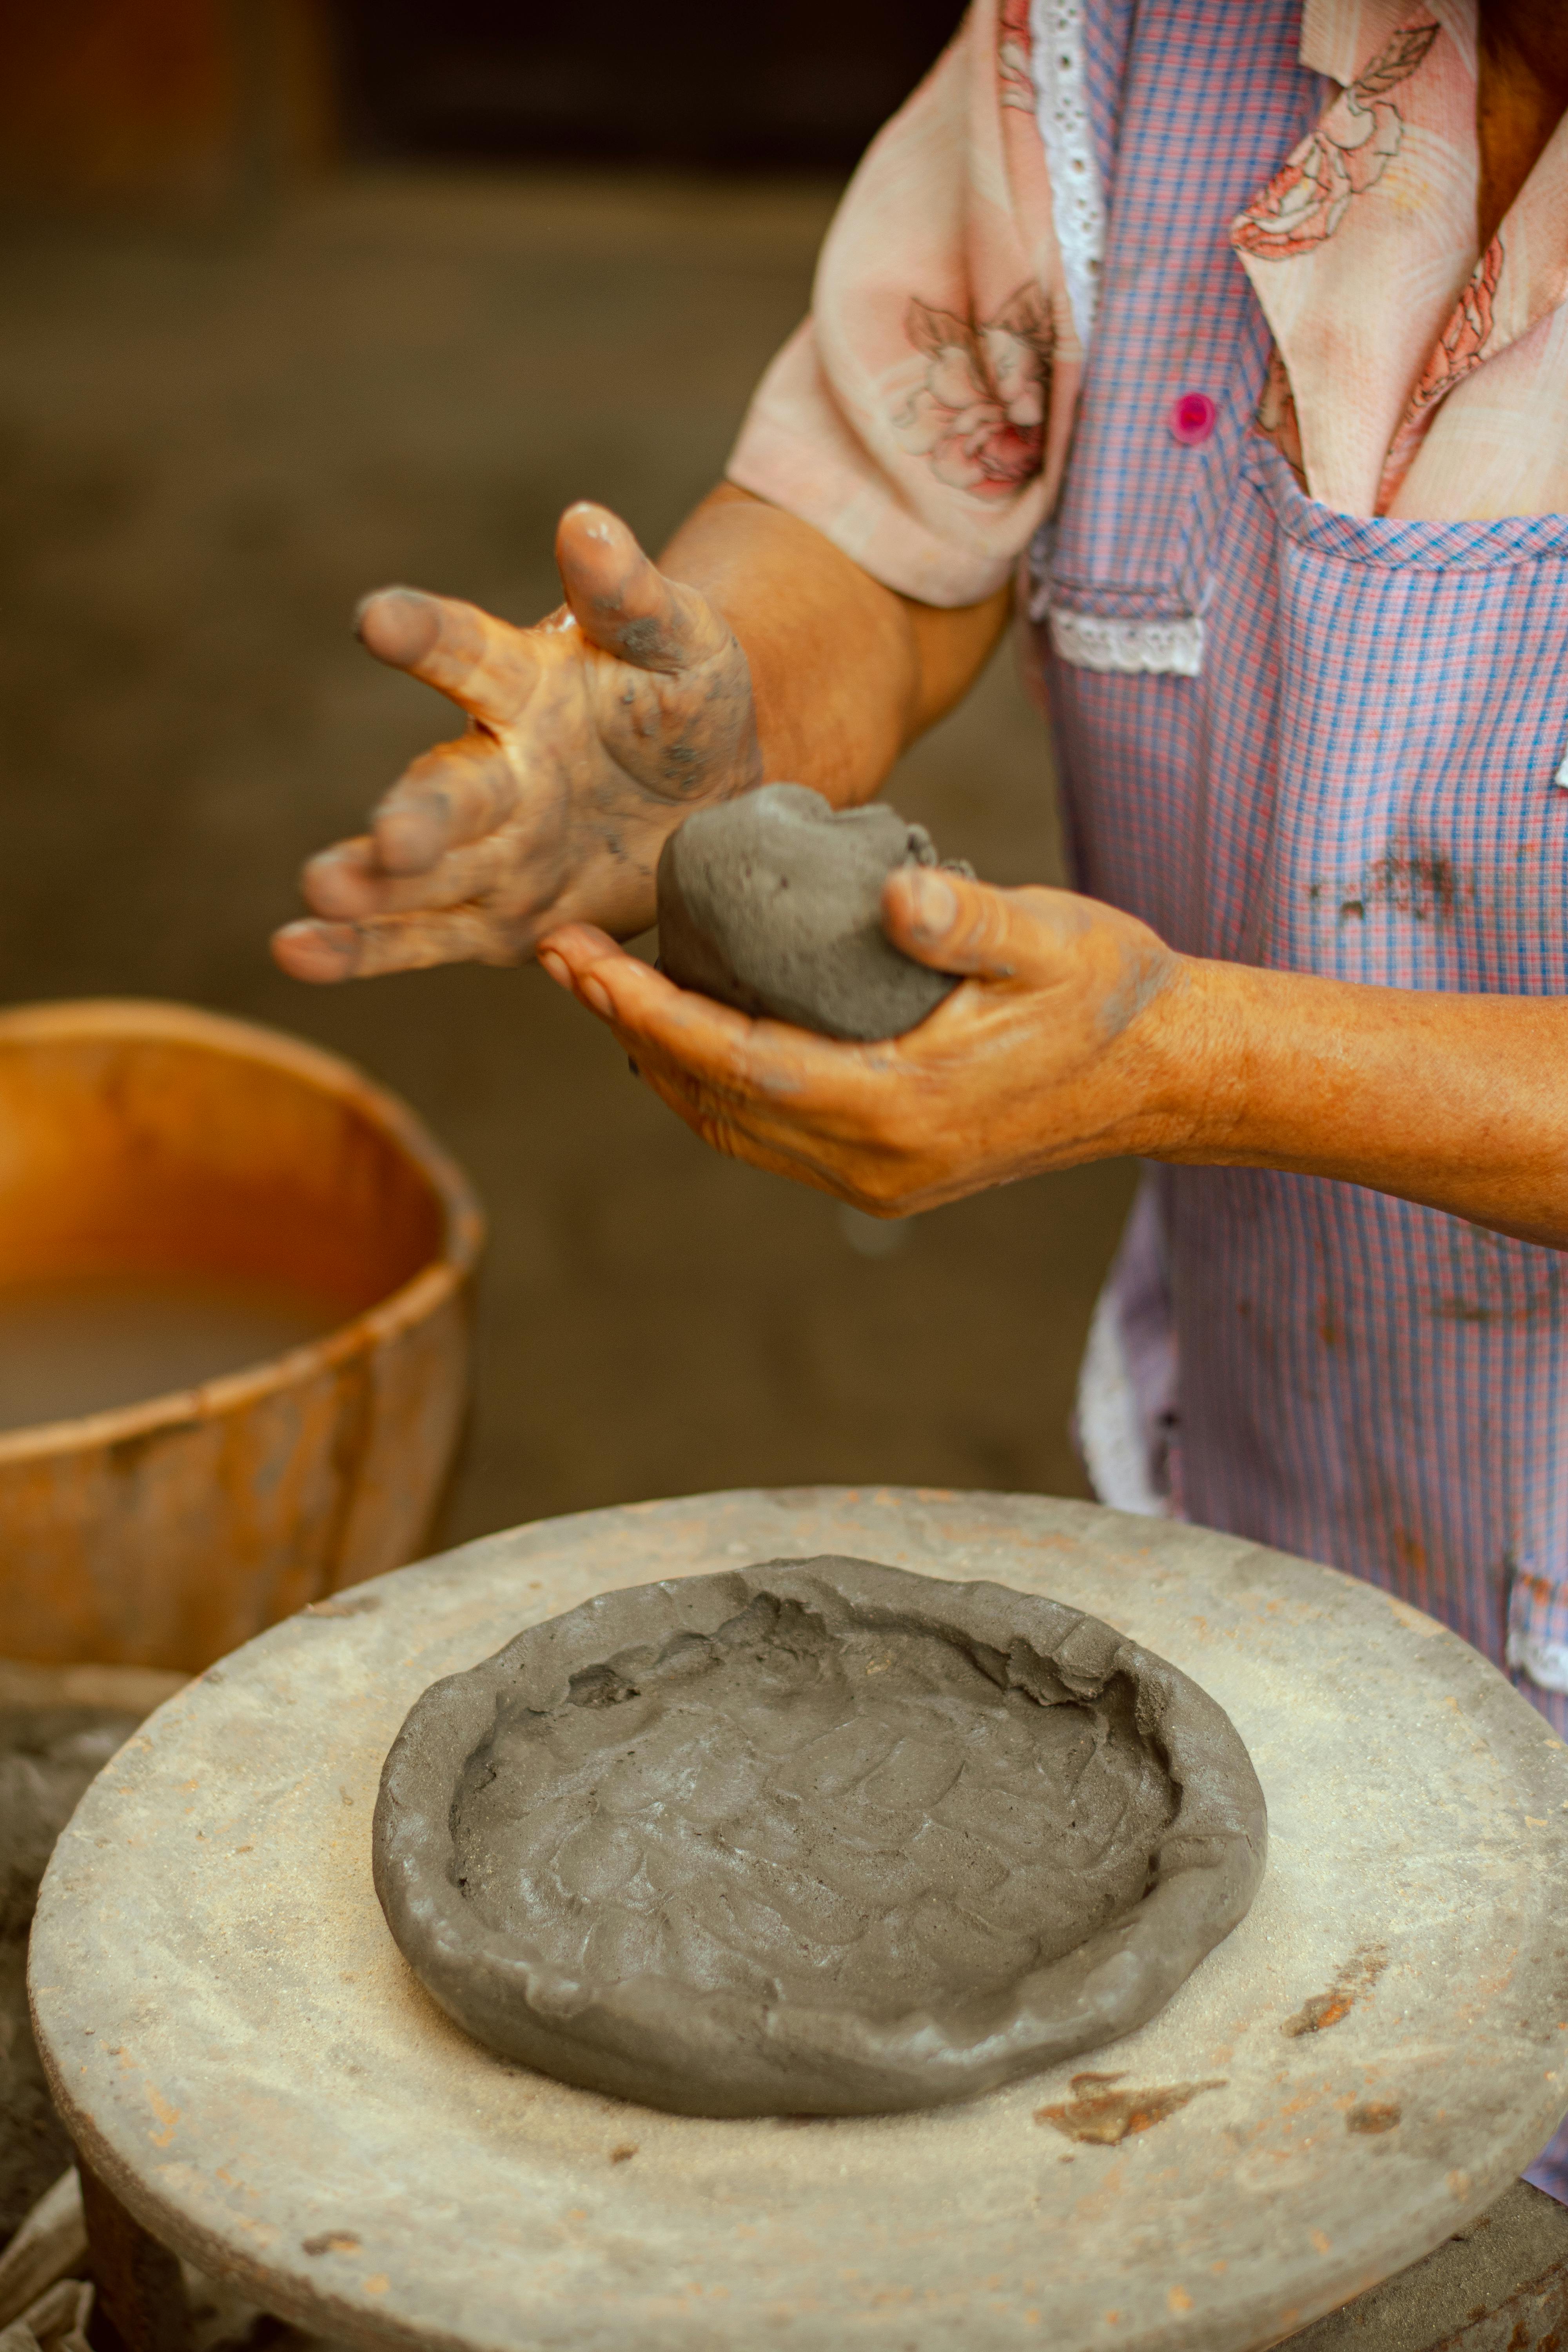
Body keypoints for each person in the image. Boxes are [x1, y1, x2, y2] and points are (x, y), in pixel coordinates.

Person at [275, 0, 1568, 2191]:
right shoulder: (1135, 42)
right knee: (1291, 2098)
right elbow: (881, 529)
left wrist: (1183, 1063)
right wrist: (713, 723)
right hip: (1285, 1506)